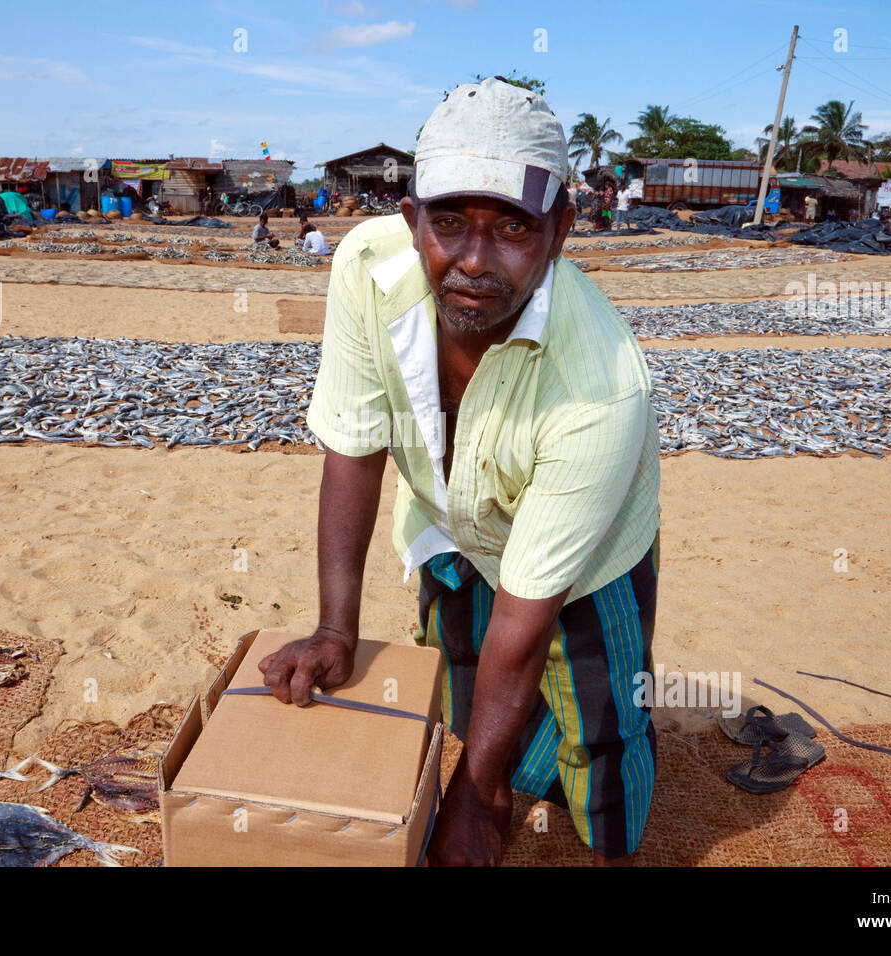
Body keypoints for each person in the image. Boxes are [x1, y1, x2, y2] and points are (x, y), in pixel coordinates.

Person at [259, 77, 661, 867]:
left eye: (513, 226)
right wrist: (337, 630)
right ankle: (503, 754)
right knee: (466, 695)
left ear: (560, 231)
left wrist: (479, 803)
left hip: (585, 558)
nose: (474, 263)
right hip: (449, 517)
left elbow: (530, 604)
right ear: (411, 221)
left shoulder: (603, 384)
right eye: (448, 223)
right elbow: (354, 447)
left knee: (599, 741)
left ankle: (566, 772)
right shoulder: (365, 269)